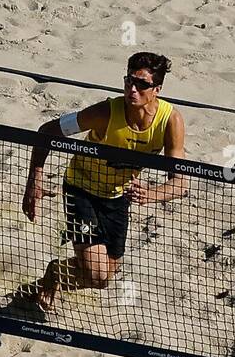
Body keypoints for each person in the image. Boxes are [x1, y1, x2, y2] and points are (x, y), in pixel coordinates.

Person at [21, 51, 188, 313]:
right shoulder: (105, 112)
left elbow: (180, 183)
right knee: (96, 275)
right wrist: (34, 181)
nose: (132, 89)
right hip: (81, 189)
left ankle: (52, 276)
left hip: (117, 196)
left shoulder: (170, 121)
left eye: (141, 84)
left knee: (106, 275)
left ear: (157, 88)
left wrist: (151, 194)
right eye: (128, 81)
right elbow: (47, 132)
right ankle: (53, 275)